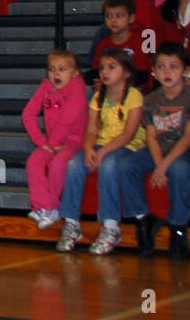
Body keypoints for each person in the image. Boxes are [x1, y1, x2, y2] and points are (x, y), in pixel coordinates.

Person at [56, 49, 144, 255]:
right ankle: (71, 224)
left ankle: (111, 227)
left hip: (127, 146)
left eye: (112, 67)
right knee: (75, 164)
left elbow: (129, 134)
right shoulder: (98, 96)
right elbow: (92, 129)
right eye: (102, 68)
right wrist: (88, 149)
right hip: (102, 144)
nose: (105, 72)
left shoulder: (134, 96)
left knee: (110, 165)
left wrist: (103, 152)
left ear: (127, 73)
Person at [123, 44, 190, 257]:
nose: (167, 72)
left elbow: (188, 138)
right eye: (162, 67)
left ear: (185, 71)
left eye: (173, 67)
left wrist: (164, 167)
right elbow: (151, 136)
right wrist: (158, 164)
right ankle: (143, 220)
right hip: (157, 151)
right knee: (127, 165)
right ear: (154, 71)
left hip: (182, 151)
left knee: (180, 171)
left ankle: (178, 228)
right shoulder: (151, 100)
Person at [22, 50, 89, 231]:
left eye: (62, 69)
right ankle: (43, 207)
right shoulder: (46, 87)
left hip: (73, 141)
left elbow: (69, 117)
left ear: (75, 73)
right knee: (33, 163)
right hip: (52, 141)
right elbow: (28, 114)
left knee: (58, 164)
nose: (56, 74)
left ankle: (53, 207)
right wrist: (41, 141)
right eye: (51, 69)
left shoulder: (77, 87)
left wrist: (53, 143)